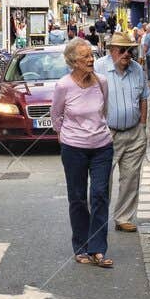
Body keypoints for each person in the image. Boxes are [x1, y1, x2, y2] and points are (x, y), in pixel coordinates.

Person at [50, 36, 115, 269]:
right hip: (73, 148)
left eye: (91, 55)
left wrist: (97, 130)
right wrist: (65, 136)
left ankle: (98, 248)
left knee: (99, 194)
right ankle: (81, 246)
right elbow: (56, 115)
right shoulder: (63, 85)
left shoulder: (102, 82)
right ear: (73, 62)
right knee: (77, 198)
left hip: (102, 146)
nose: (91, 59)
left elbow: (104, 110)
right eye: (85, 56)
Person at [95, 30, 149, 234]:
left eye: (131, 50)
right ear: (112, 51)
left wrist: (143, 127)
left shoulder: (137, 69)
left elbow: (144, 98)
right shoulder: (99, 69)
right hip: (108, 133)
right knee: (102, 179)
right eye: (123, 50)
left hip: (134, 132)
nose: (127, 54)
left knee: (131, 178)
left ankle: (123, 217)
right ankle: (98, 218)